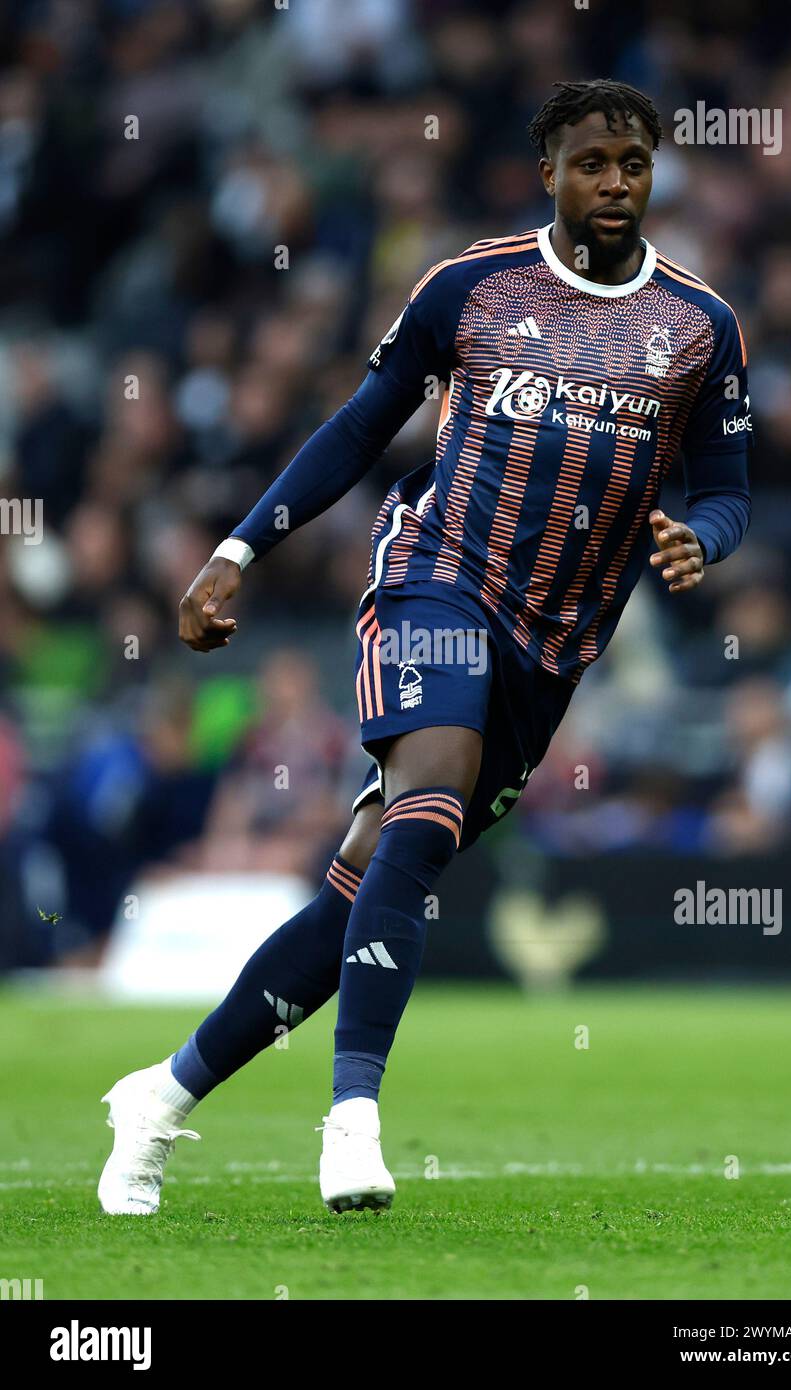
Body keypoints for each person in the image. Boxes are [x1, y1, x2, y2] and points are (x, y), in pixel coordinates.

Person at [97, 79, 751, 1216]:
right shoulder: (470, 286)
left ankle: (161, 1093)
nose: (613, 183)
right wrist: (239, 552)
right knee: (431, 797)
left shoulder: (701, 326)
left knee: (369, 881)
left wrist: (701, 537)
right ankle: (353, 1117)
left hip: (554, 645)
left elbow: (731, 488)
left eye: (633, 165)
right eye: (591, 162)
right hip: (434, 576)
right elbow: (359, 427)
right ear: (546, 168)